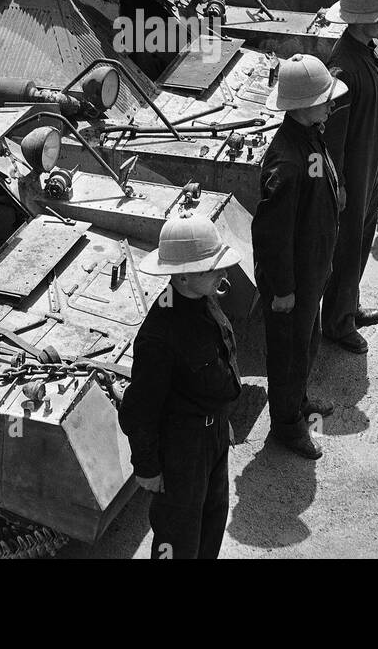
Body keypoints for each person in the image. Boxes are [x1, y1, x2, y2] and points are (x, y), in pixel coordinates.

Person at [118, 214, 242, 560]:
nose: (223, 273)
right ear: (183, 276)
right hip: (182, 452)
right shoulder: (160, 334)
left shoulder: (202, 299)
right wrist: (147, 467)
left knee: (212, 520)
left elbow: (217, 368)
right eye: (211, 267)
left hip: (212, 436)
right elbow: (139, 410)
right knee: (178, 539)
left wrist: (221, 419)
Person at [252, 54, 347, 459]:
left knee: (305, 344)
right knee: (288, 354)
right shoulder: (287, 160)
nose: (331, 104)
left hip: (311, 269)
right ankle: (287, 426)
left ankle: (299, 402)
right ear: (302, 105)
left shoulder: (308, 136)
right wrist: (284, 289)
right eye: (324, 98)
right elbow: (272, 234)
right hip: (293, 282)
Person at [322, 0, 378, 353]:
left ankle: (348, 307)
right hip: (352, 176)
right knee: (348, 248)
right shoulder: (342, 68)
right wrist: (337, 185)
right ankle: (337, 323)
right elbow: (332, 138)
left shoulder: (367, 48)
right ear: (357, 20)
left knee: (361, 242)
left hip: (369, 170)